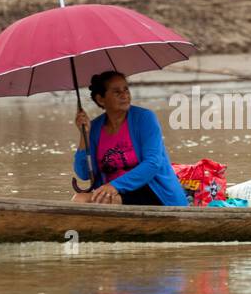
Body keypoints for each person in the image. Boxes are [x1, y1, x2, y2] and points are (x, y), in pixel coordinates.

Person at [72, 70, 189, 206]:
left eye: (126, 89)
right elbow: (84, 173)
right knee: (78, 199)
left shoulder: (145, 118)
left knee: (108, 202)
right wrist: (84, 134)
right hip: (113, 192)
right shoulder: (95, 127)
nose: (124, 95)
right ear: (100, 99)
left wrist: (115, 186)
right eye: (117, 92)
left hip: (153, 191)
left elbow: (153, 163)